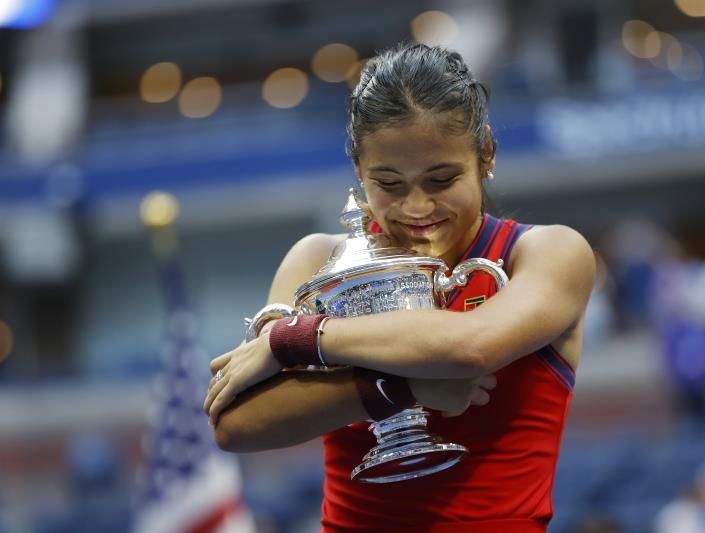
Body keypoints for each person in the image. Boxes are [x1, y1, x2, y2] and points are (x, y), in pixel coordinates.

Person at [203, 42, 595, 532]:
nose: (416, 207)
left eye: (441, 179)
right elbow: (237, 425)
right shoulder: (316, 260)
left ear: (486, 154)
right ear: (358, 173)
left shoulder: (545, 253)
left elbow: (470, 347)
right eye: (389, 184)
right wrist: (397, 388)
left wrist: (295, 339)